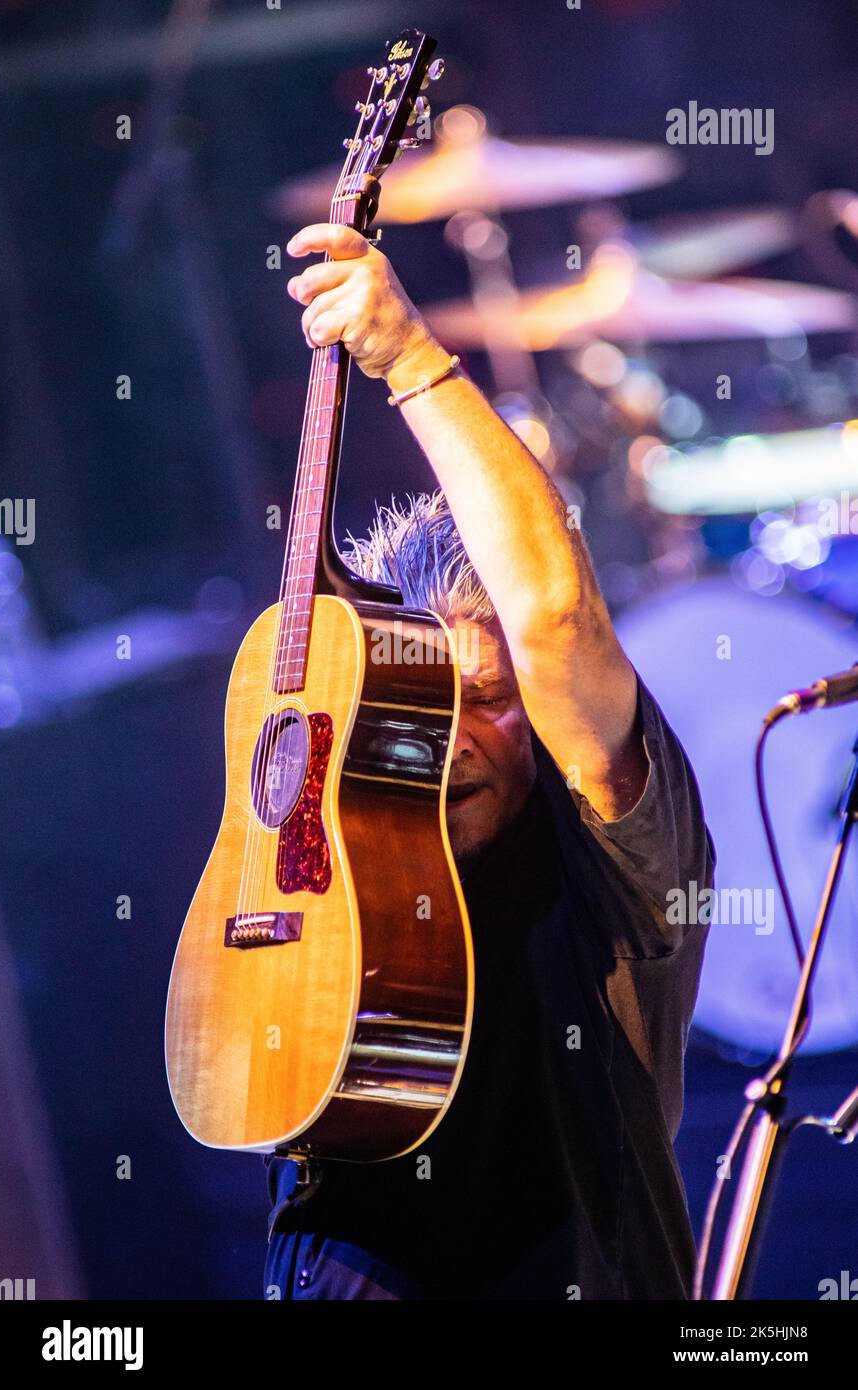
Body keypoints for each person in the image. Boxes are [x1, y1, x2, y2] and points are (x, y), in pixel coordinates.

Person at [261, 223, 714, 1301]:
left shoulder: (607, 858)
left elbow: (552, 615)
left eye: (492, 698)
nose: (453, 731)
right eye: (423, 700)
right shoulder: (345, 852)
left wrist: (411, 363)